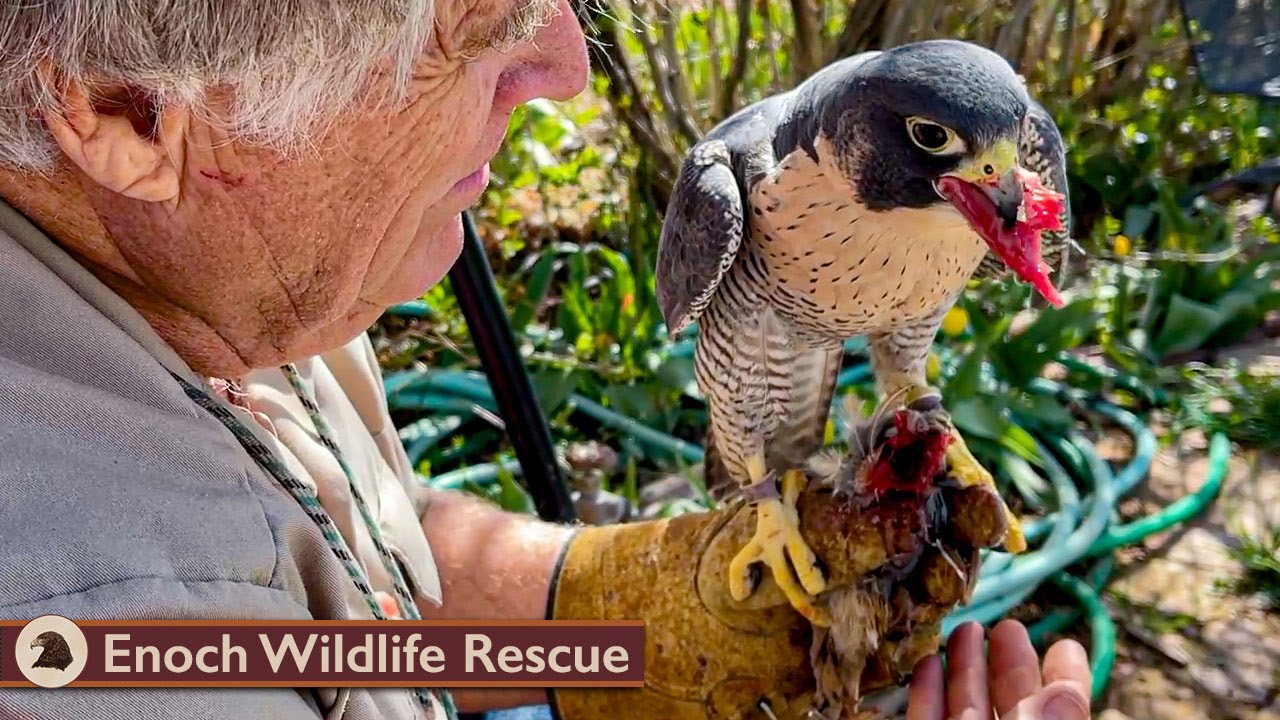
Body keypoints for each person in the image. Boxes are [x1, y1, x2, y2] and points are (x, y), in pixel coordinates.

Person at [0, 2, 1091, 719]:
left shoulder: (218, 254)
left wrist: (624, 616)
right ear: (124, 111)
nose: (566, 68)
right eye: (463, 28)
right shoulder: (92, 632)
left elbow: (319, 610)